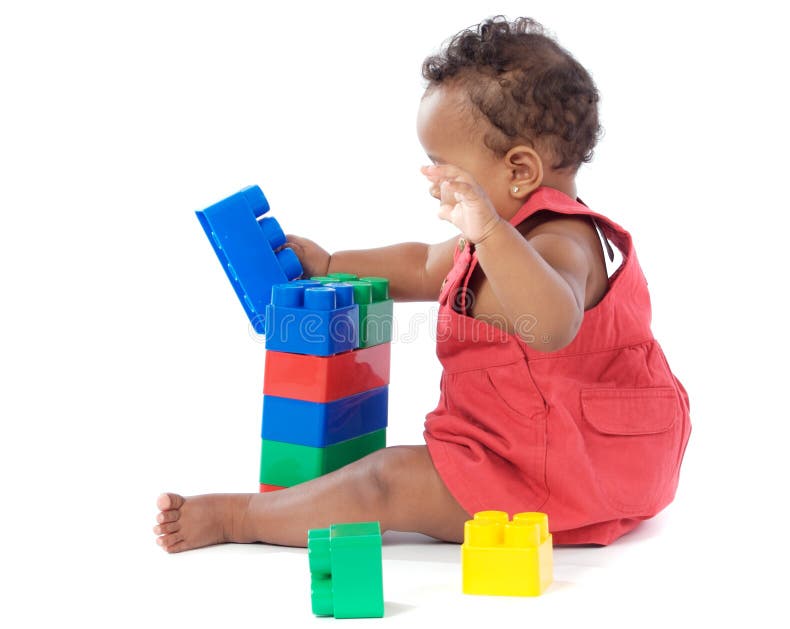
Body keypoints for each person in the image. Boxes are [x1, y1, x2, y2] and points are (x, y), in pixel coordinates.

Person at [154, 16, 690, 552]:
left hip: (556, 469)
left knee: (383, 482)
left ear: (519, 171)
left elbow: (553, 324)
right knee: (384, 473)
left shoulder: (560, 241)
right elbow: (422, 264)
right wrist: (331, 261)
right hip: (557, 454)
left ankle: (239, 517)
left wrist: (490, 232)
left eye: (441, 166)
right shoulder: (501, 233)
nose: (432, 182)